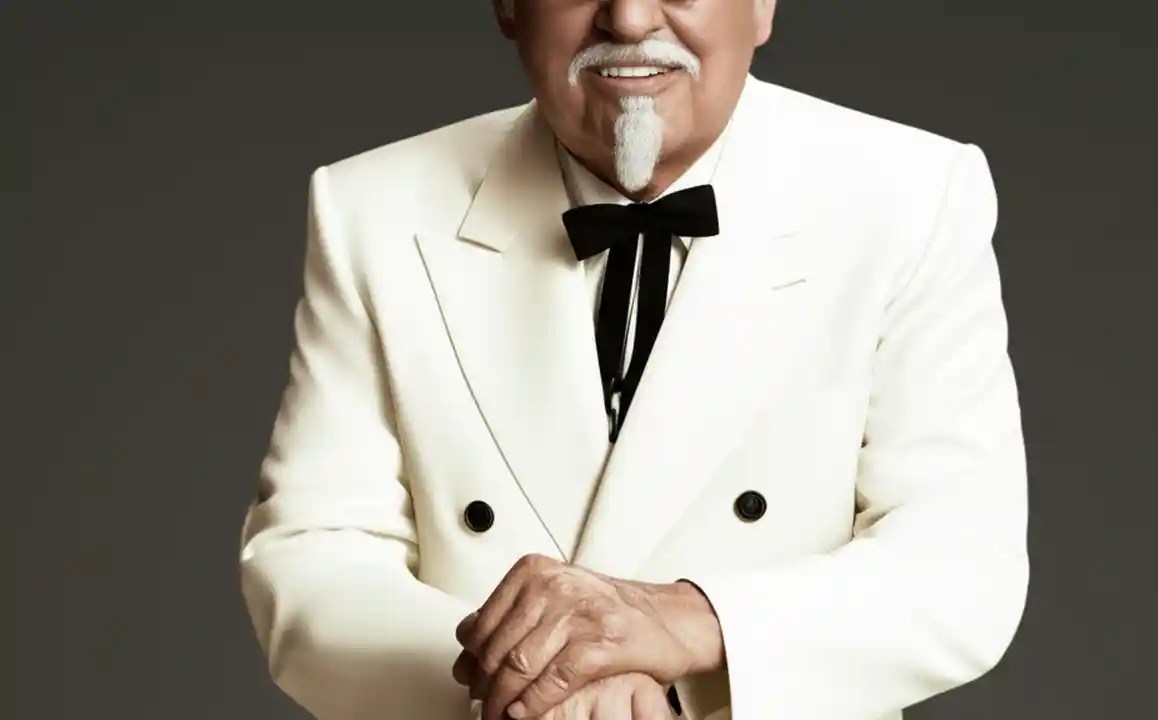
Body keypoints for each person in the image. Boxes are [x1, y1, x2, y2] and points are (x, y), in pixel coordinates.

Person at [237, 1, 1029, 719]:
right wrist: (532, 680)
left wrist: (684, 627)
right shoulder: (374, 207)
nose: (627, 16)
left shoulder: (911, 197)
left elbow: (960, 567)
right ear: (508, 7)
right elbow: (312, 559)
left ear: (762, 6)